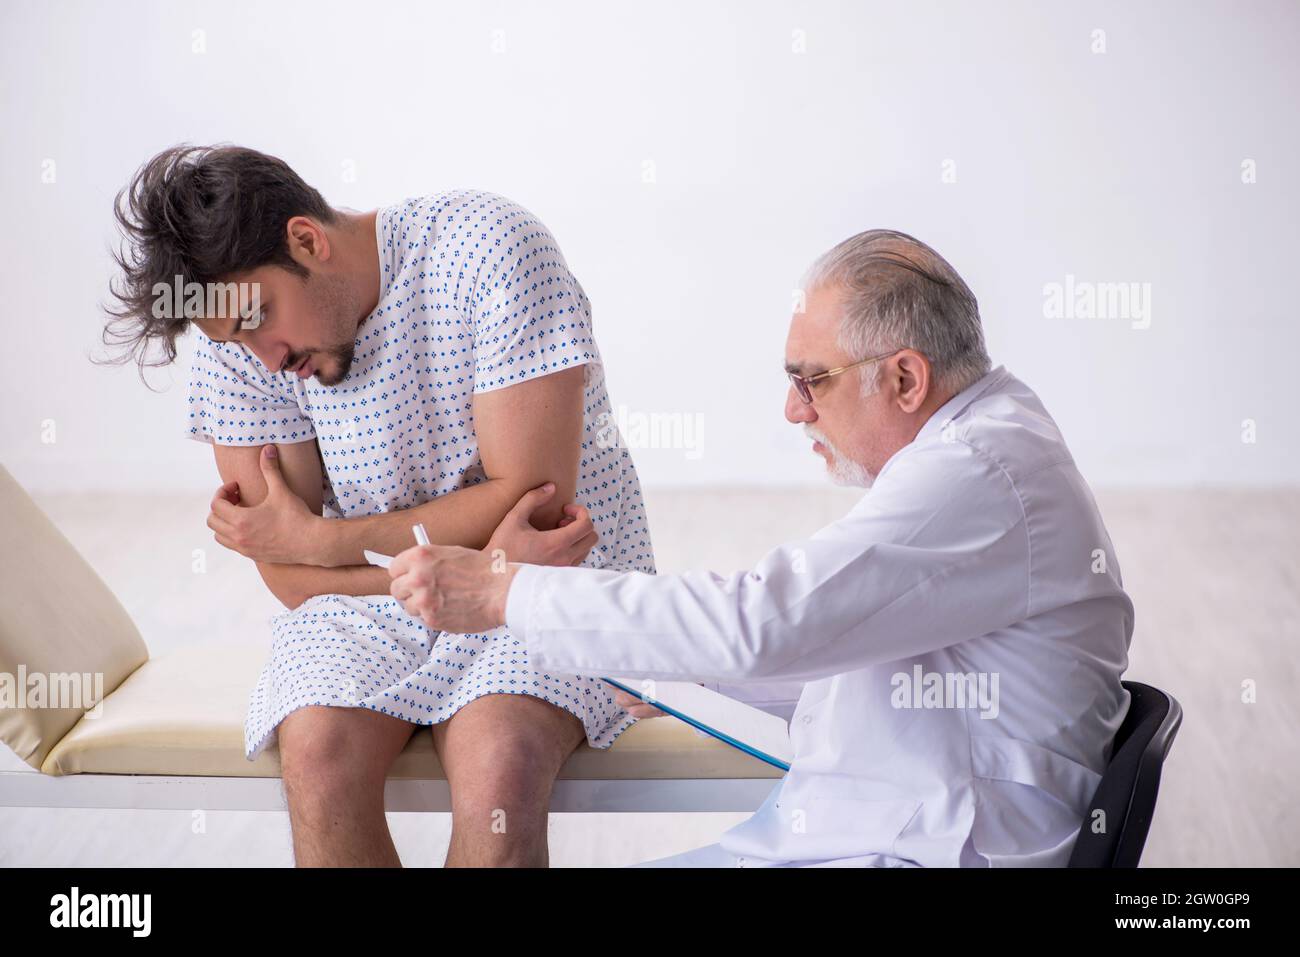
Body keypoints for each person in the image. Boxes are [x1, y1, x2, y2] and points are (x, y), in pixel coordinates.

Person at [385, 229, 1135, 867]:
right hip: (879, 828)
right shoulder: (988, 438)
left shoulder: (973, 471)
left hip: (911, 847)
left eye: (813, 380)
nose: (792, 409)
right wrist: (670, 670)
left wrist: (500, 590)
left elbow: (762, 620)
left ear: (906, 377)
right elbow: (866, 656)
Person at [102, 145, 652, 866]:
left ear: (307, 239)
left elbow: (533, 501)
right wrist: (474, 555)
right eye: (237, 337)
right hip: (407, 591)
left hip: (541, 574)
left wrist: (326, 542)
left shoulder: (490, 249)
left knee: (500, 761)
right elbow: (288, 577)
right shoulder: (238, 344)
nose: (265, 357)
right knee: (318, 751)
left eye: (261, 318)